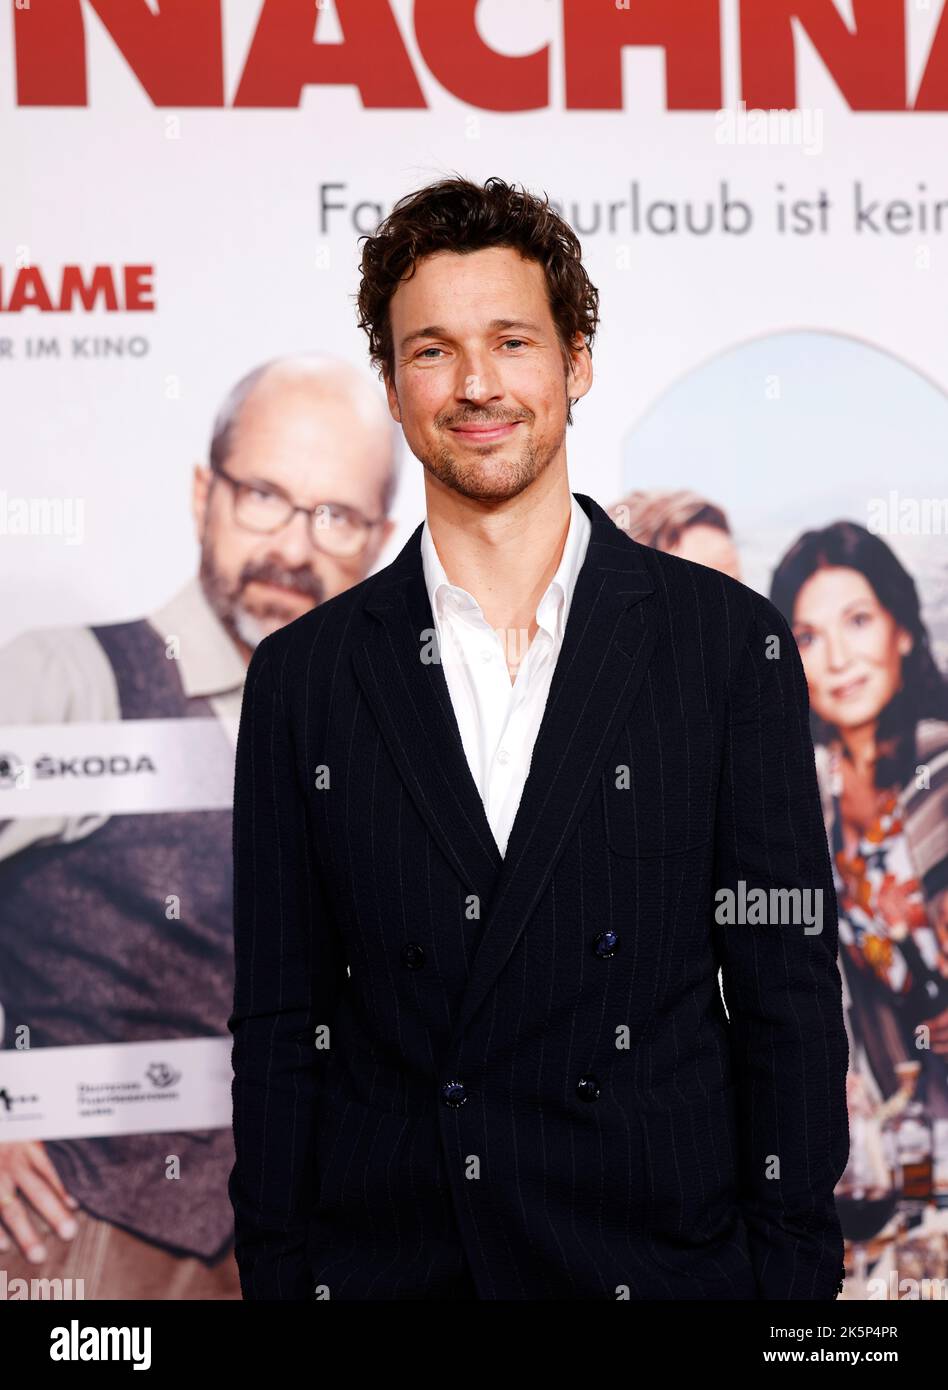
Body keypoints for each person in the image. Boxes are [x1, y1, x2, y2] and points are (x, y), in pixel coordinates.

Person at [228, 175, 850, 1302]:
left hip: (661, 1272)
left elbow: (788, 999)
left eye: (512, 341)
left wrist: (793, 1293)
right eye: (433, 350)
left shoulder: (725, 646)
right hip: (399, 1275)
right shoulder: (302, 678)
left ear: (577, 359)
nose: (476, 385)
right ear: (393, 382)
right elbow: (279, 1026)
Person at [0, 354, 397, 1298]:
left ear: (380, 541)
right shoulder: (67, 681)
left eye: (335, 515)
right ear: (202, 495)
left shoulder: (386, 741)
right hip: (91, 1244)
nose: (293, 547)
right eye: (264, 494)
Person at [771, 521, 948, 1123]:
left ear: (900, 629)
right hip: (900, 1122)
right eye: (810, 636)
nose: (840, 659)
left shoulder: (942, 769)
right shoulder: (804, 797)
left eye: (859, 620)